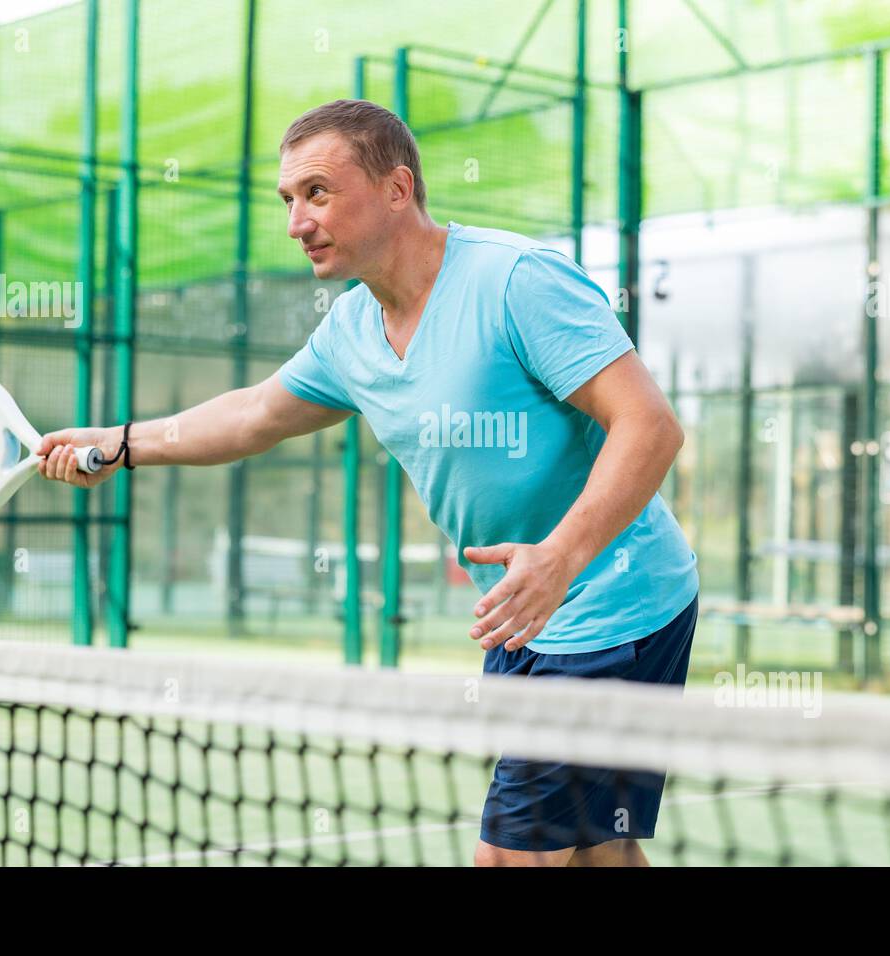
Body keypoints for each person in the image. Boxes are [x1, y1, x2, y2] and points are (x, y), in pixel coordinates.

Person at [37, 99, 699, 867]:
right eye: (288, 202)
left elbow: (650, 426)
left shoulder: (514, 281)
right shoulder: (352, 333)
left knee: (509, 857)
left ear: (396, 189)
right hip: (527, 614)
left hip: (616, 602)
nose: (296, 221)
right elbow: (254, 415)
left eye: (317, 192)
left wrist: (559, 558)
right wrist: (119, 444)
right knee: (595, 850)